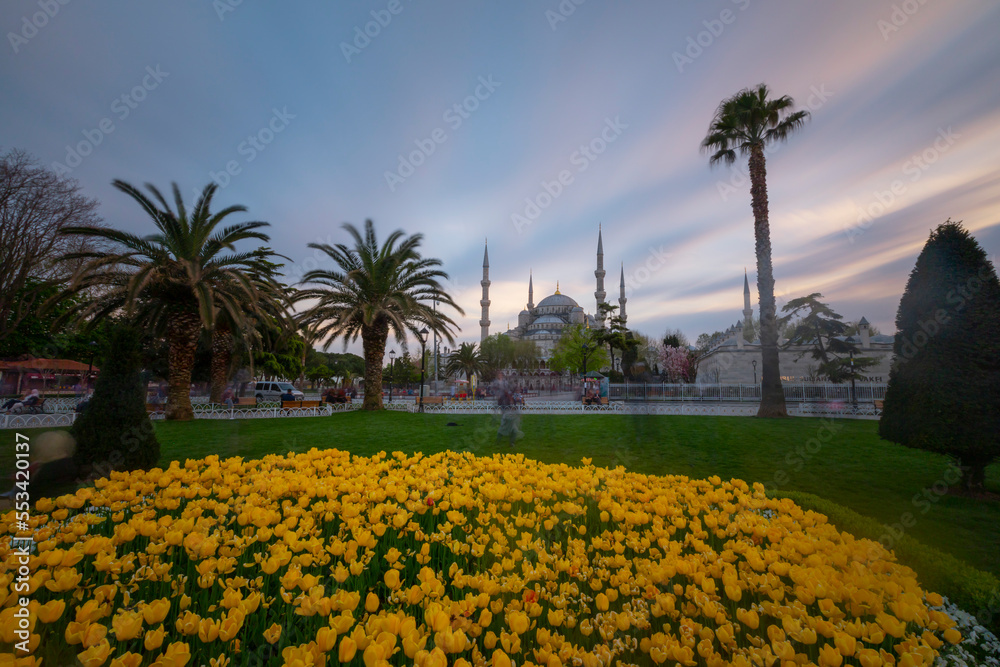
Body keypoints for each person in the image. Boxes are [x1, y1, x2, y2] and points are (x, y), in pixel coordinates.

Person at [494, 373, 522, 447]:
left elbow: (516, 403)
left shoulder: (512, 396)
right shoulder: (503, 396)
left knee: (514, 430)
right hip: (506, 413)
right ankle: (498, 442)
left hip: (510, 413)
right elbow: (500, 404)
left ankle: (511, 443)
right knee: (503, 428)